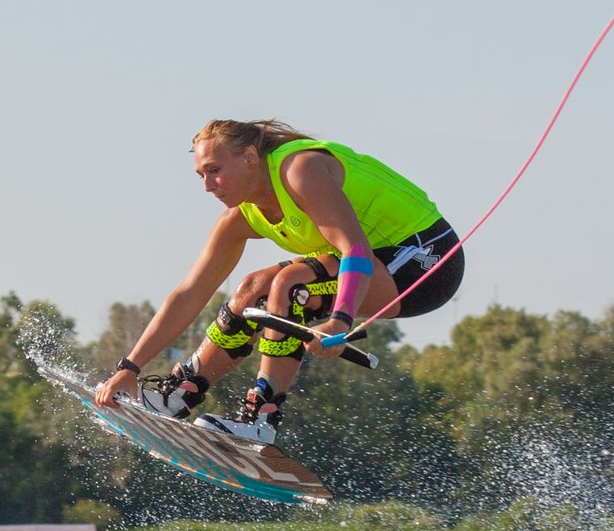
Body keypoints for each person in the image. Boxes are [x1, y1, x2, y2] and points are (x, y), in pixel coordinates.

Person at [92, 119, 464, 442]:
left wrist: (340, 320)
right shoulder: (241, 217)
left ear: (251, 158)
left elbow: (355, 250)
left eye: (214, 170)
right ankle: (179, 395)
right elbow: (189, 294)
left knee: (291, 285)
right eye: (201, 175)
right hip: (372, 262)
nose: (208, 185)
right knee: (252, 289)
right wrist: (130, 367)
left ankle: (261, 420)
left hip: (427, 262)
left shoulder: (300, 170)